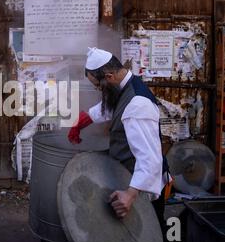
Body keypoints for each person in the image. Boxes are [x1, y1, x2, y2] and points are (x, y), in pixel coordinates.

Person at [68, 48, 170, 226]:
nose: (99, 90)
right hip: (129, 177)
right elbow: (111, 106)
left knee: (149, 237)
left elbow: (150, 159)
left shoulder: (138, 106)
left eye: (98, 86)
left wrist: (130, 194)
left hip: (141, 187)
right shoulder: (125, 85)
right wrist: (83, 120)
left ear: (109, 77)